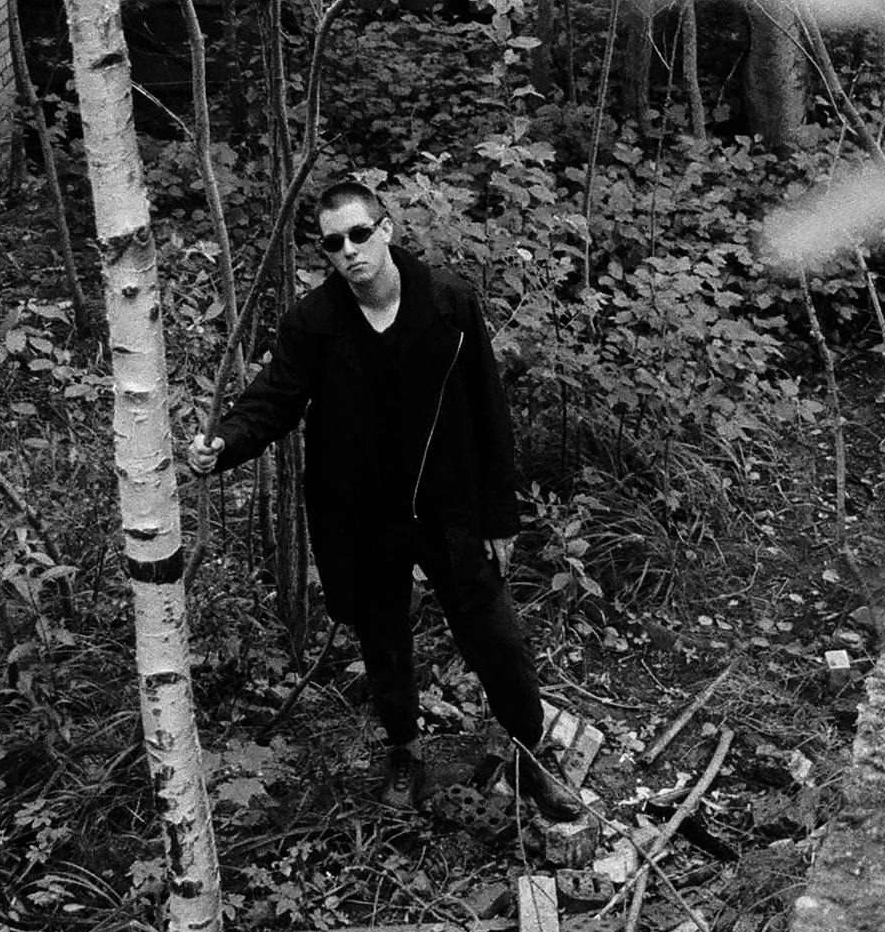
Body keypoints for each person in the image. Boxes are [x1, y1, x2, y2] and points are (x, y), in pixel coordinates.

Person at [185, 178, 586, 826]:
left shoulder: (449, 302)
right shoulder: (313, 324)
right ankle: (405, 752)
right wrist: (222, 442)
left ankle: (531, 753)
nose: (349, 251)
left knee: (496, 636)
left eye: (359, 234)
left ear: (386, 230)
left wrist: (500, 515)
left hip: (448, 503)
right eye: (333, 243)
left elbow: (489, 411)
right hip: (362, 515)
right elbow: (273, 399)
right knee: (384, 642)